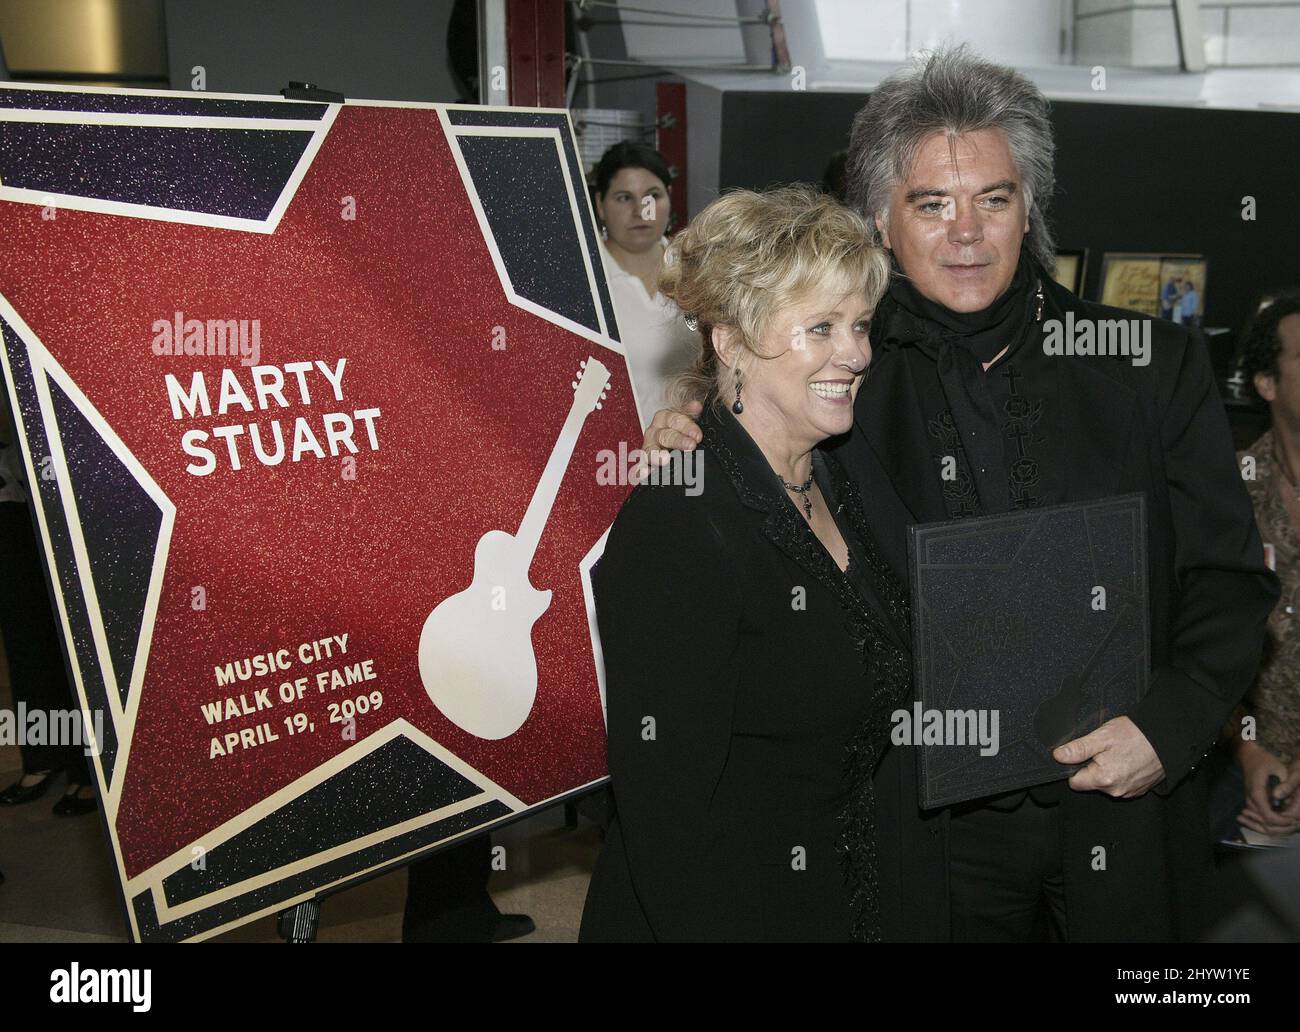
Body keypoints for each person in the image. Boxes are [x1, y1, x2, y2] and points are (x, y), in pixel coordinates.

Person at [640, 46, 1278, 942]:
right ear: (879, 218)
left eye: (994, 199)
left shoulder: (1148, 365)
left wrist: (1168, 728)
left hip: (1123, 804)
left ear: (1031, 210)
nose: (965, 232)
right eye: (930, 203)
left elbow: (1229, 578)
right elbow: (743, 502)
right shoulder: (834, 380)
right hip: (918, 826)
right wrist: (693, 437)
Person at [580, 185, 907, 942]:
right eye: (819, 327)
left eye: (860, 325)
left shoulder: (845, 472)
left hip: (838, 892)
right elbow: (669, 813)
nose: (855, 353)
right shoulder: (680, 521)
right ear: (729, 340)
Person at [0, 413, 97, 817]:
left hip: (61, 475)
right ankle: (47, 752)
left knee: (75, 630)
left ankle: (90, 769)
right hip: (9, 496)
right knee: (24, 636)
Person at [1229, 294, 1300, 838]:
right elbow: (1194, 641)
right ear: (1267, 383)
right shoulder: (1227, 492)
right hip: (1248, 778)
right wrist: (1248, 751)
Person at [592, 142, 697, 424]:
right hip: (611, 455)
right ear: (600, 204)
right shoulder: (585, 282)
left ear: (669, 197)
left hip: (692, 454)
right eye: (624, 198)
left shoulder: (697, 272)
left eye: (652, 195)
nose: (641, 210)